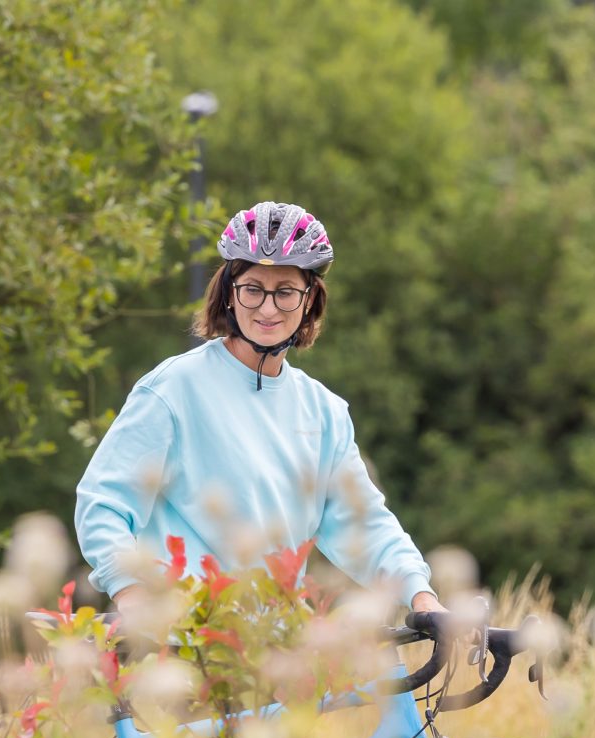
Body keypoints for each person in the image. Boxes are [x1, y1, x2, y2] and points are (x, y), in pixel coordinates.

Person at [74, 200, 444, 621]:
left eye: (285, 292)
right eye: (252, 289)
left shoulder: (324, 412)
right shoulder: (173, 389)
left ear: (309, 302)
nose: (267, 308)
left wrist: (421, 596)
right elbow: (102, 505)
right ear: (229, 294)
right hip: (186, 643)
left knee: (389, 683)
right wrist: (134, 599)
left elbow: (365, 526)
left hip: (278, 649)